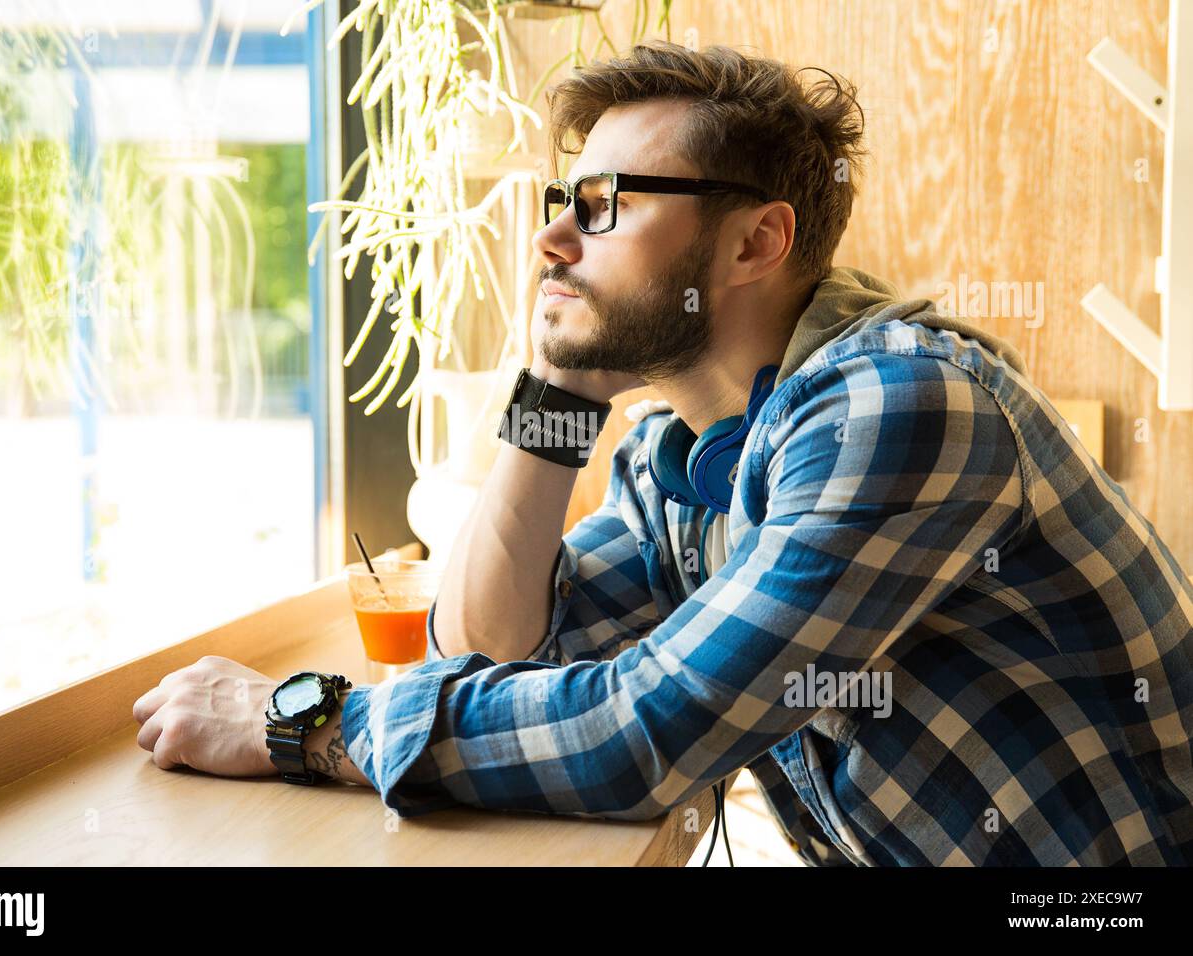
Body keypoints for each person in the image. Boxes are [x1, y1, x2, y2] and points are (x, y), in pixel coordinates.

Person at [133, 41, 1193, 866]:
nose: (551, 240)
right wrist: (557, 390)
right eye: (565, 205)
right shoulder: (685, 455)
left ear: (752, 244)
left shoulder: (898, 407)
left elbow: (650, 728)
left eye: (605, 206)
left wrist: (307, 722)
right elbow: (495, 646)